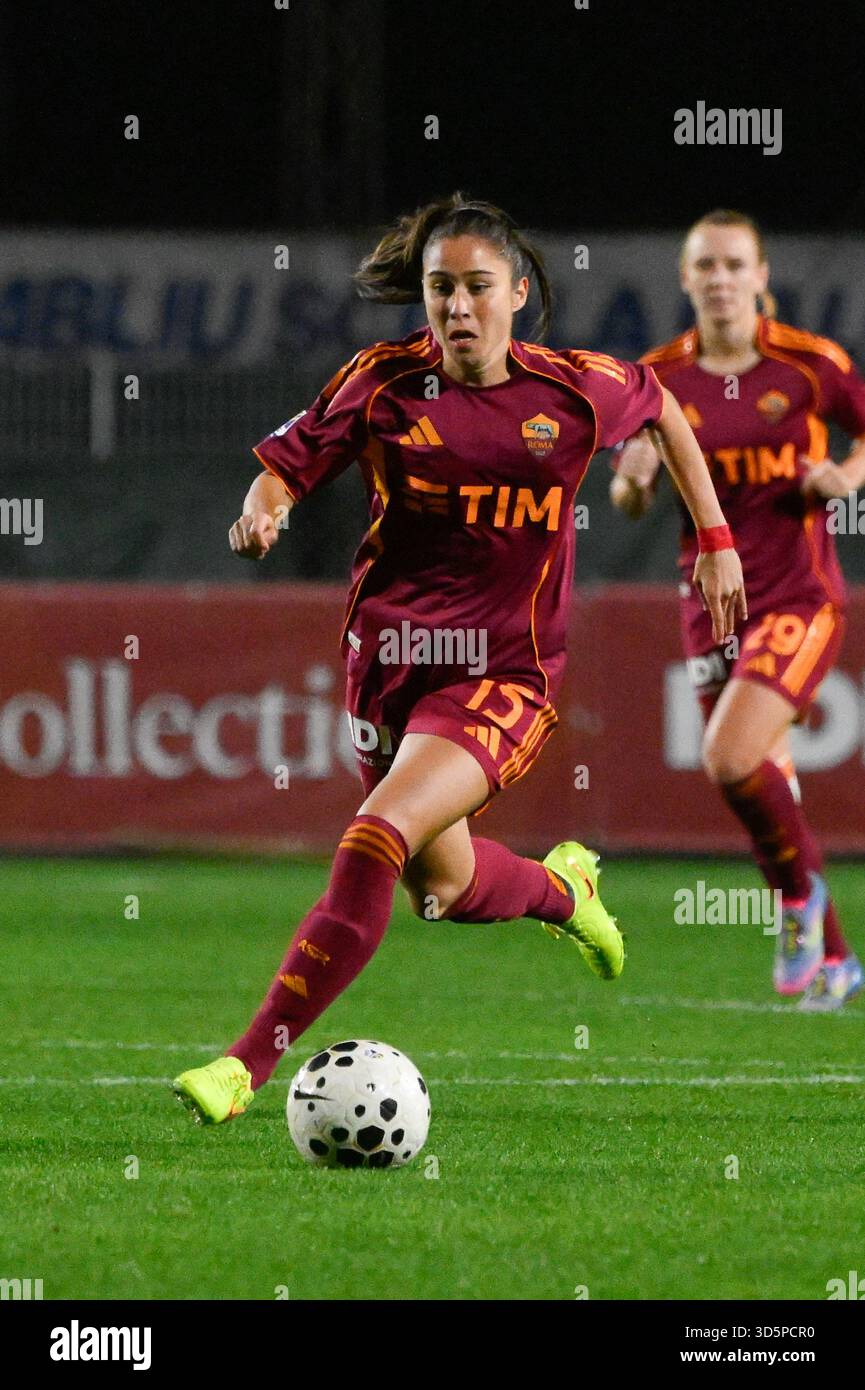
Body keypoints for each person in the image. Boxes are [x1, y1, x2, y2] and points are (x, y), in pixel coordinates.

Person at [173, 193, 744, 1123]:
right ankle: (566, 890)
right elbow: (287, 462)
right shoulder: (382, 381)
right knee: (444, 886)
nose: (458, 307)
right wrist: (266, 506)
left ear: (518, 293)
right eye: (441, 289)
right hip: (388, 667)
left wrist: (714, 536)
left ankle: (242, 1067)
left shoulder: (572, 389)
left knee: (371, 835)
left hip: (503, 675)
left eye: (479, 287)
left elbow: (667, 411)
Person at [610, 208, 865, 1011]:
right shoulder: (656, 378)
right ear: (685, 279)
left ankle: (794, 907)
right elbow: (624, 497)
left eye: (733, 265)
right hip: (710, 609)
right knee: (763, 786)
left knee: (727, 757)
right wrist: (632, 480)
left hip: (798, 595)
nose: (719, 280)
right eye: (704, 266)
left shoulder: (809, 364)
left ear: (761, 277)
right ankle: (836, 958)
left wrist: (848, 478)